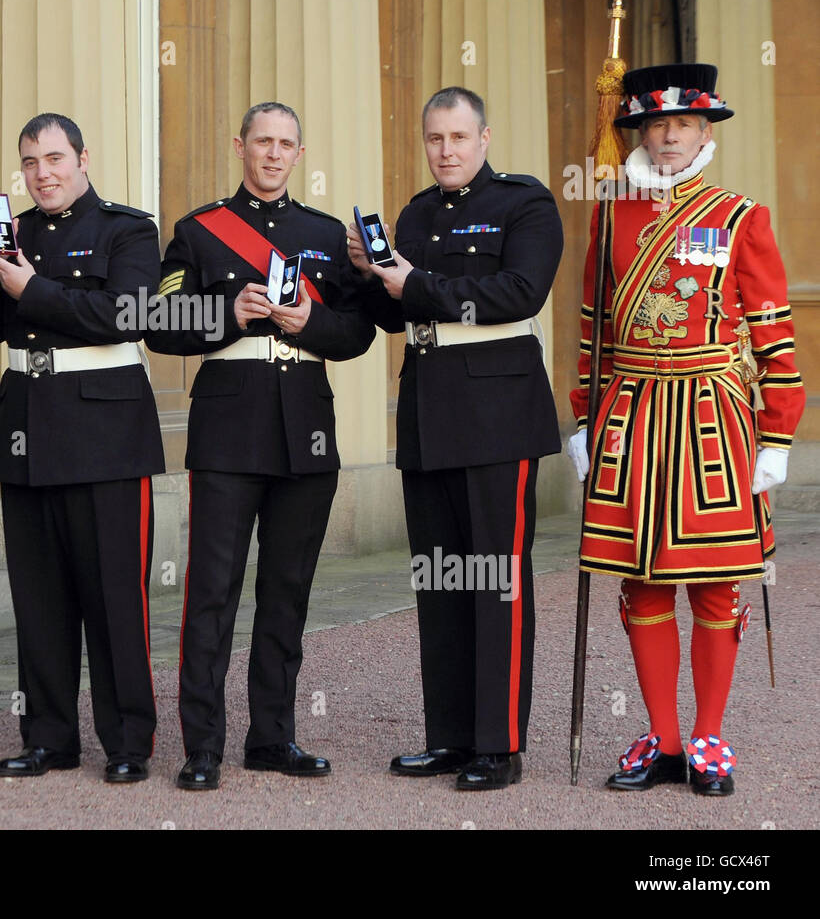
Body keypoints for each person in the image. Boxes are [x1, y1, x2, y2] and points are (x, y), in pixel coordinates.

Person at [566, 63, 802, 797]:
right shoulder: (609, 213)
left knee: (714, 585)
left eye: (684, 124)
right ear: (637, 131)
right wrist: (583, 415)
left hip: (712, 417)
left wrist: (778, 433)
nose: (669, 136)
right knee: (641, 584)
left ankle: (708, 735)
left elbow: (773, 331)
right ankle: (663, 737)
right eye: (657, 125)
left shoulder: (740, 215)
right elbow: (592, 329)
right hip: (632, 414)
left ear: (705, 132)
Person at [146, 101, 375, 791]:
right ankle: (202, 745)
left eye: (285, 144)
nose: (273, 154)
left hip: (304, 427)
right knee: (211, 593)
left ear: (299, 153)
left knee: (287, 592)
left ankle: (272, 736)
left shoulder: (328, 236)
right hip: (228, 427)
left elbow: (358, 332)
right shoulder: (199, 230)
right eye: (262, 142)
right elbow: (160, 322)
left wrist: (309, 322)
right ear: (239, 144)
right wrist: (227, 313)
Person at [350, 86, 562, 791]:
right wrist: (371, 276)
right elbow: (395, 313)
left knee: (495, 580)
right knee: (440, 580)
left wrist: (418, 281)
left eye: (458, 138)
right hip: (428, 415)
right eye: (434, 138)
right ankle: (448, 736)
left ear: (485, 137)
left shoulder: (524, 204)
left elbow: (520, 292)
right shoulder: (412, 213)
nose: (445, 150)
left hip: (498, 417)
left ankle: (498, 745)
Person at [0, 113, 163, 784]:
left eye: (54, 157)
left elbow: (127, 313)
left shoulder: (128, 228)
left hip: (106, 434)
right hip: (27, 427)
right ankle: (48, 738)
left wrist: (31, 288)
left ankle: (129, 739)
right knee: (39, 598)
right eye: (30, 161)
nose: (42, 172)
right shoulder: (11, 231)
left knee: (114, 596)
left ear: (82, 157)